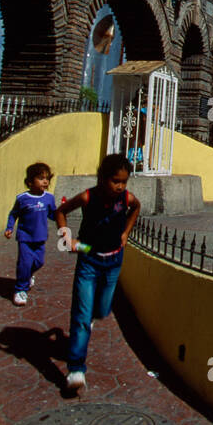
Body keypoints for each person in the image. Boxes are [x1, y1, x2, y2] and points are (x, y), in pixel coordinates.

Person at [55, 153, 140, 393]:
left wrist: (125, 233)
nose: (120, 186)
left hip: (113, 260)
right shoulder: (87, 196)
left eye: (124, 181)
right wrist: (66, 237)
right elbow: (60, 212)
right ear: (103, 178)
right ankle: (76, 369)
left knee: (102, 310)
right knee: (81, 316)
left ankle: (88, 320)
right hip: (89, 259)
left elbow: (136, 207)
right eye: (116, 181)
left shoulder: (126, 198)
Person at [5, 162, 57, 305]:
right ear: (29, 182)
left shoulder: (49, 198)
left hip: (40, 237)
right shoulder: (22, 198)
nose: (45, 181)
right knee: (25, 263)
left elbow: (53, 214)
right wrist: (9, 227)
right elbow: (13, 214)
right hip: (25, 237)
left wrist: (61, 216)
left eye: (47, 179)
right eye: (41, 178)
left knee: (39, 262)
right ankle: (20, 289)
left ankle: (28, 275)